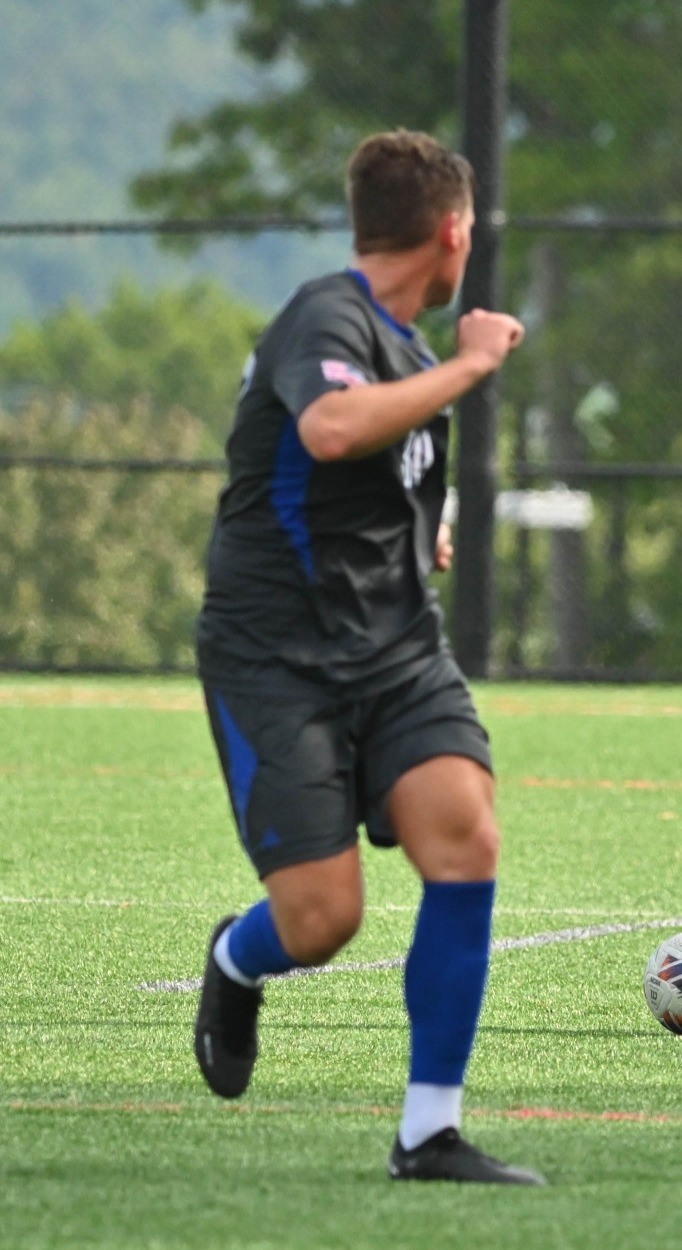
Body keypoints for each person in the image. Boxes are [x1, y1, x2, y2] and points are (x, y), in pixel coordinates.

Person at [191, 130, 542, 1184]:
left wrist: (417, 527)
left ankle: (428, 1129)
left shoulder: (404, 344)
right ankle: (233, 958)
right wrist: (478, 362)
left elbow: (377, 474)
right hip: (276, 658)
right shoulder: (328, 316)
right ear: (450, 230)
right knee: (322, 918)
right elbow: (334, 428)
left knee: (465, 832)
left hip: (397, 652)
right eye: (469, 232)